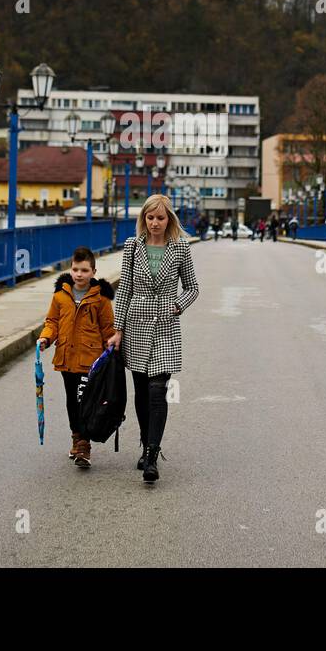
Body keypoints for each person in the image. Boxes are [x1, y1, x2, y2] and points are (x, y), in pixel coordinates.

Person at [109, 194, 200, 483]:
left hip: (165, 325)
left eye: (160, 218)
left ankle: (151, 455)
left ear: (169, 219)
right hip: (135, 325)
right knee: (141, 392)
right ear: (144, 219)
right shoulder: (132, 247)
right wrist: (117, 329)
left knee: (157, 390)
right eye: (150, 217)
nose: (155, 223)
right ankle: (145, 440)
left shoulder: (181, 248)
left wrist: (177, 306)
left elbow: (193, 288)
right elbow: (124, 290)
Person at [38, 246, 116, 468]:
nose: (79, 274)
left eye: (84, 270)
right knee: (72, 401)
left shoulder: (101, 299)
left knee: (84, 400)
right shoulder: (60, 295)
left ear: (93, 271)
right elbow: (52, 322)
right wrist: (45, 339)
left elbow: (107, 329)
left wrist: (110, 353)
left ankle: (83, 444)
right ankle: (76, 438)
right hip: (66, 358)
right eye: (75, 269)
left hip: (90, 361)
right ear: (70, 269)